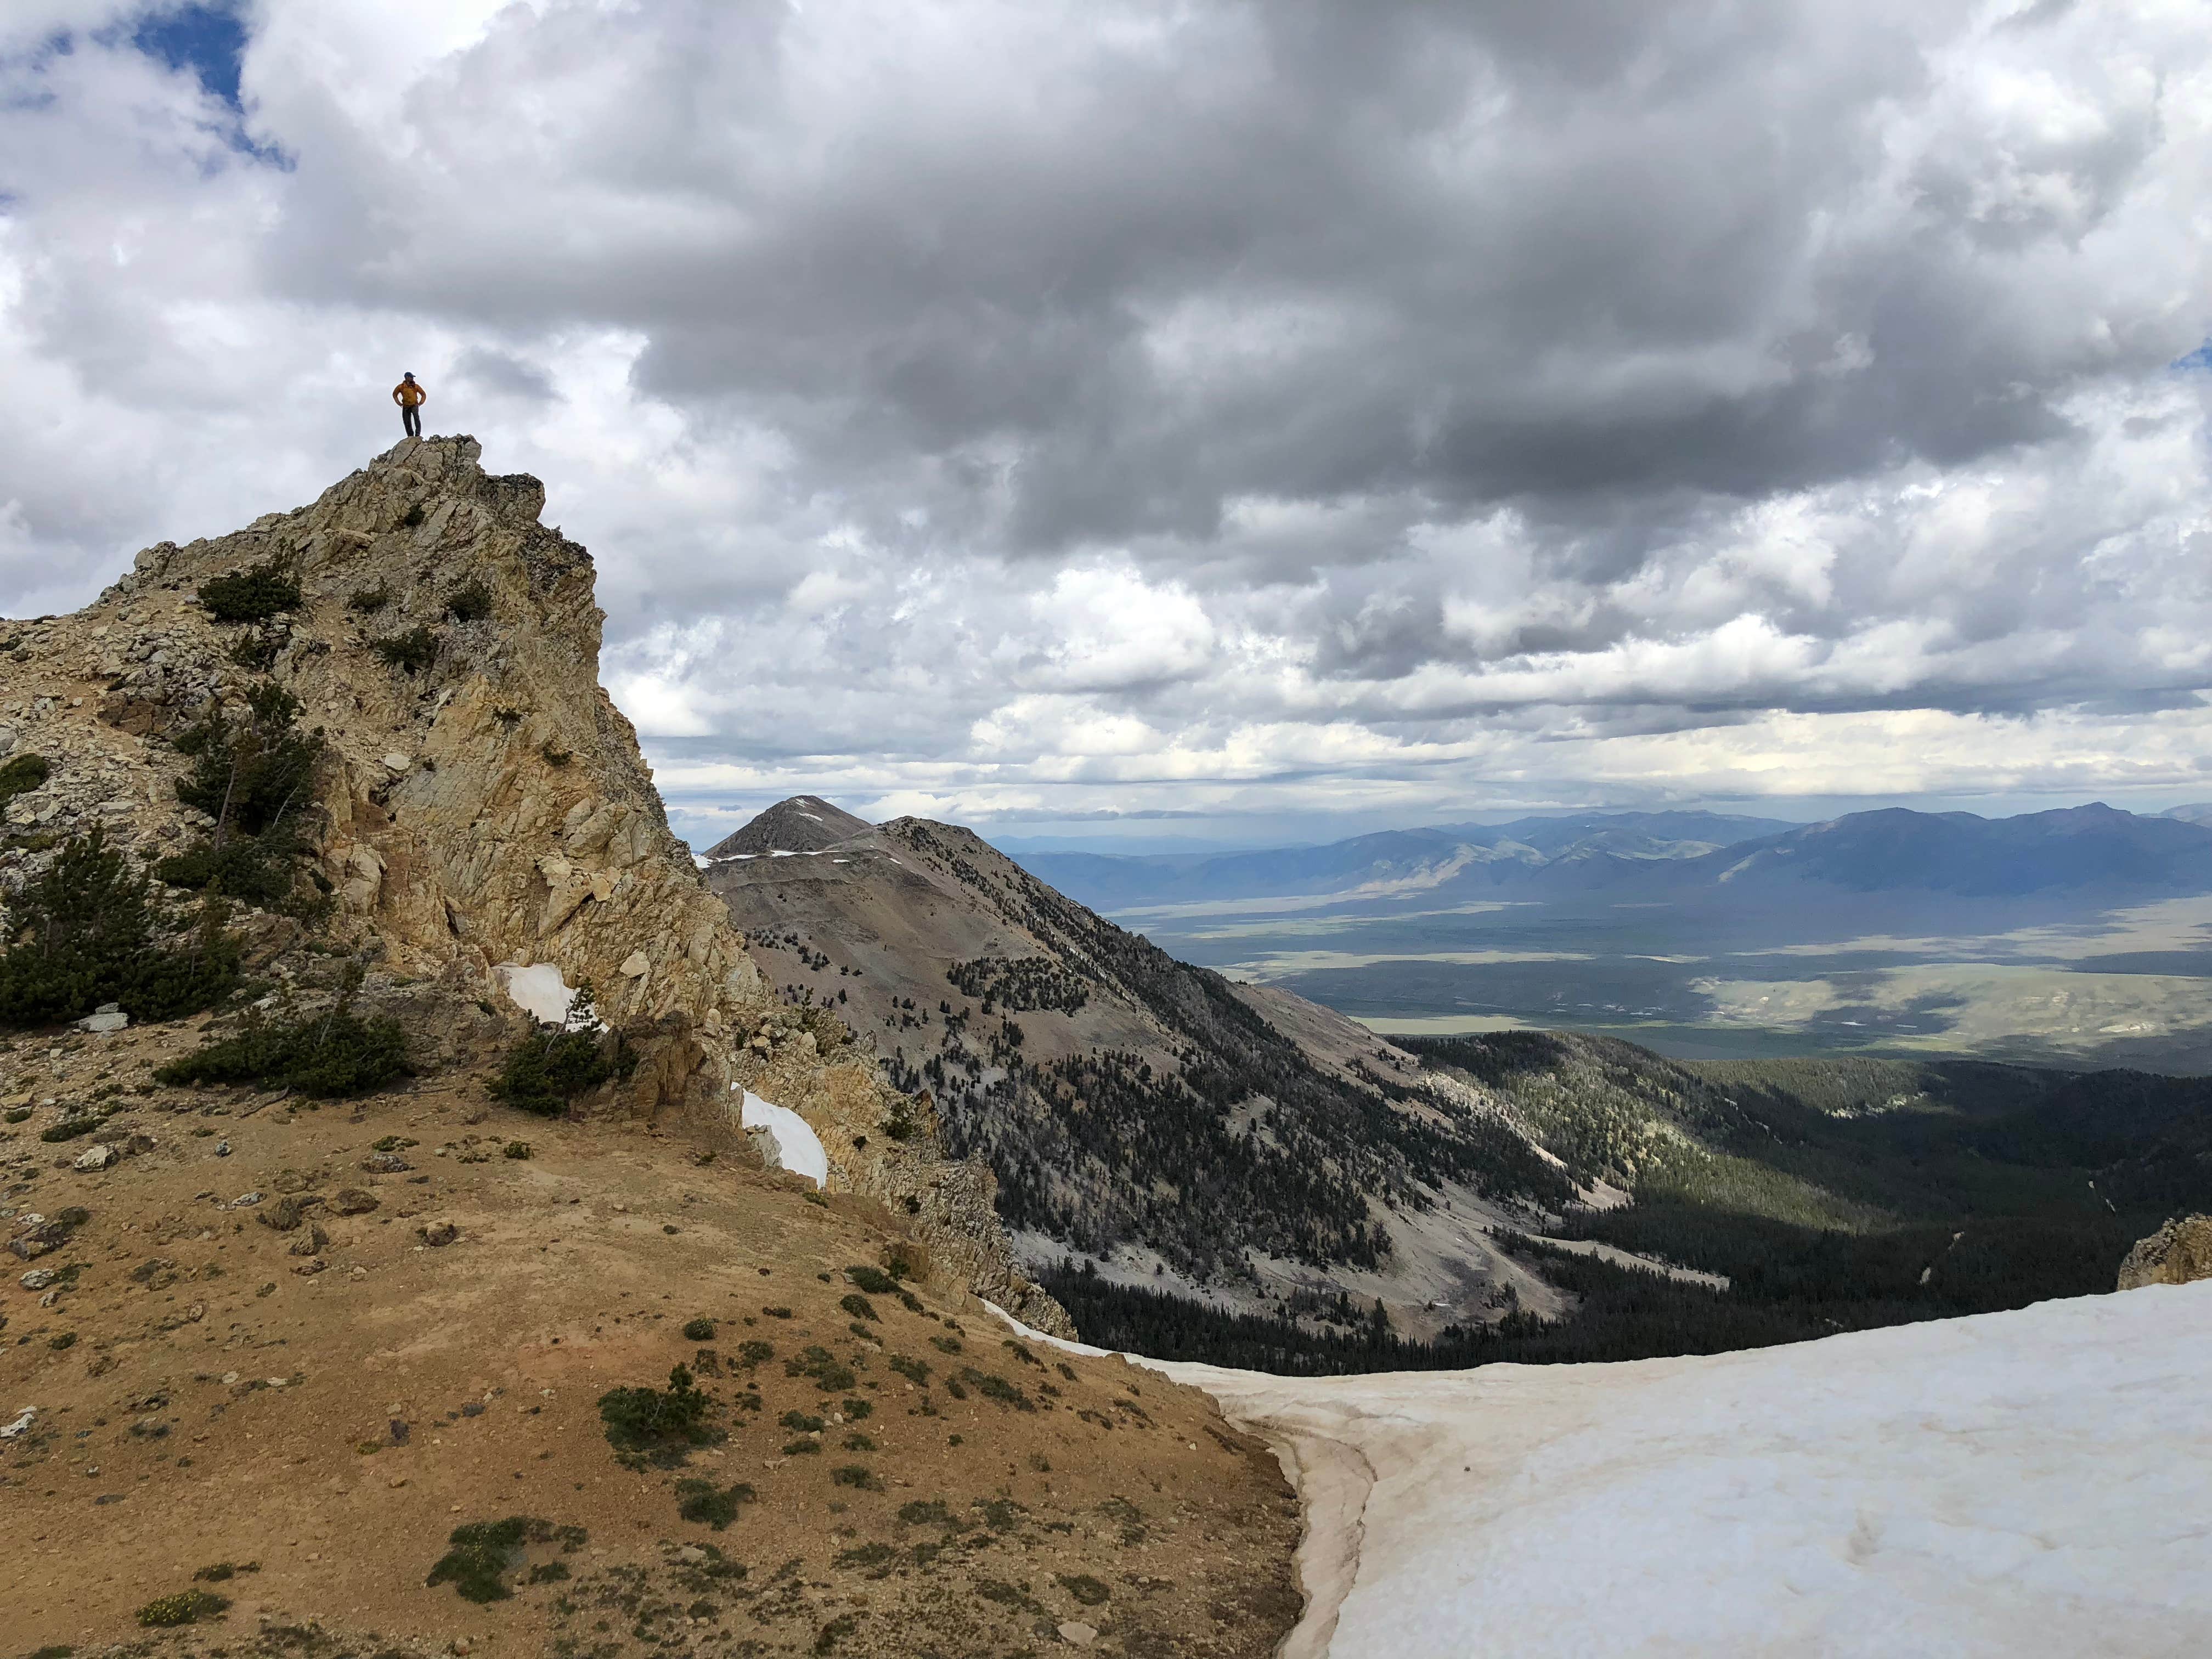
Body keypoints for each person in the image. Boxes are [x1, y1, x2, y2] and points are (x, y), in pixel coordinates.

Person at [393, 372, 427, 438]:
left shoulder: (416, 386)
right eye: (411, 377)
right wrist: (398, 403)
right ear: (407, 377)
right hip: (406, 406)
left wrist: (421, 403)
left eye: (412, 377)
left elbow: (423, 394)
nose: (412, 378)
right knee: (407, 421)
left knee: (416, 418)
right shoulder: (401, 387)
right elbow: (395, 394)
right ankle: (410, 436)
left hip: (414, 405)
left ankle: (417, 435)